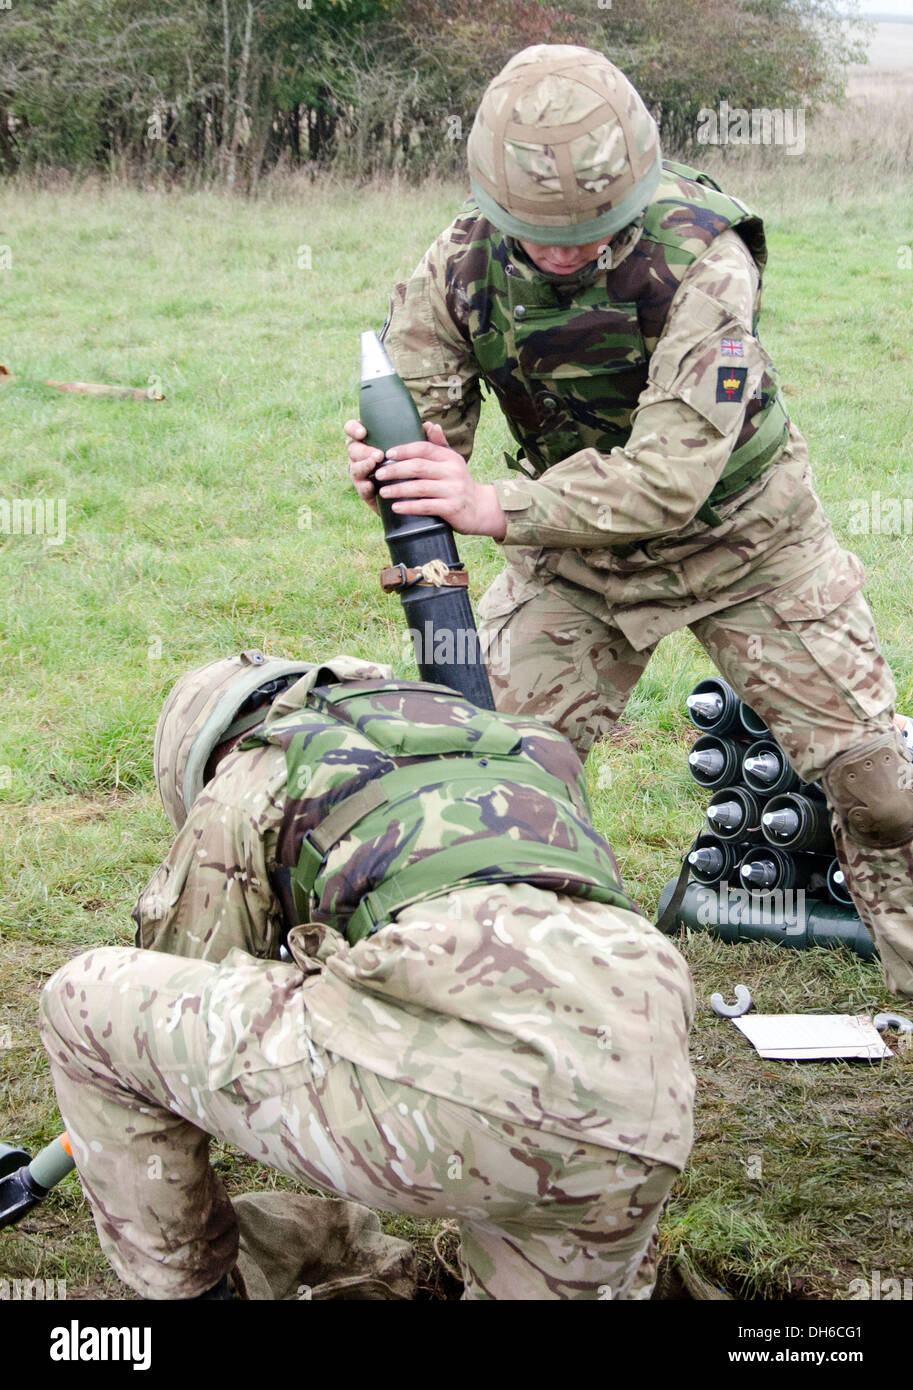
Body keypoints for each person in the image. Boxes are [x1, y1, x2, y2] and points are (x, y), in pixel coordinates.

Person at [344, 42, 913, 998]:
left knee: (882, 792)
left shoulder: (707, 259)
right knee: (478, 783)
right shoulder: (458, 269)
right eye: (537, 230)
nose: (564, 252)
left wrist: (490, 504)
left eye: (593, 228)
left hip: (746, 542)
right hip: (574, 561)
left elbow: (669, 481)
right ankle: (507, 1012)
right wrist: (395, 471)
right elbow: (427, 441)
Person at [39, 649, 695, 1300]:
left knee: (81, 1001)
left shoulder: (252, 771)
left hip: (460, 1106)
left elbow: (177, 988)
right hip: (642, 1114)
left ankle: (195, 1293)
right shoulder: (512, 746)